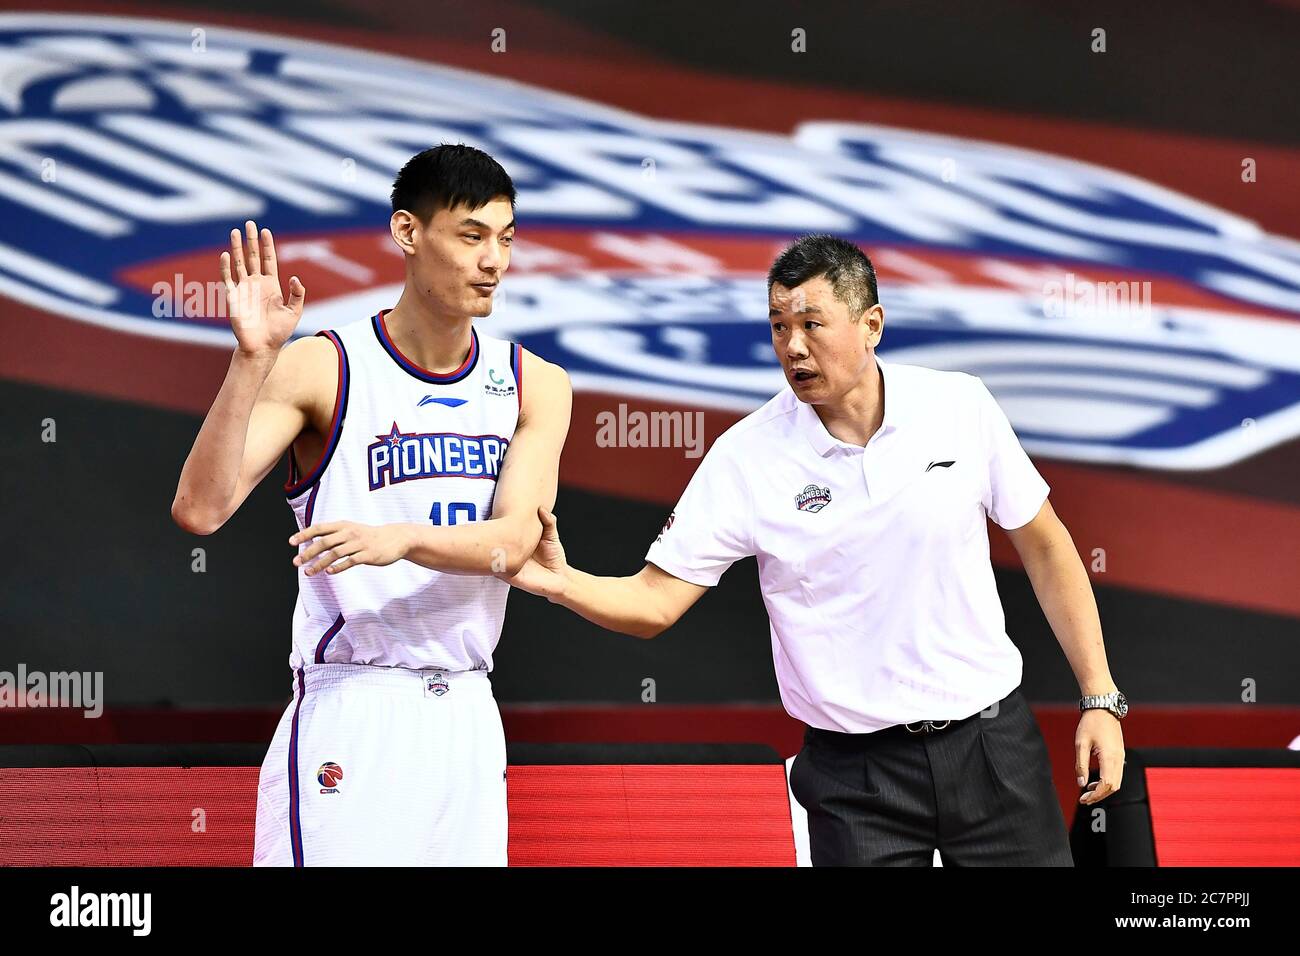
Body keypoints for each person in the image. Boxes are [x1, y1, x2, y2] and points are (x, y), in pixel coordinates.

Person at [505, 234, 1125, 866]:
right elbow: (654, 600)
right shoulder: (748, 455)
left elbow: (1046, 547)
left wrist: (1099, 695)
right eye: (778, 327)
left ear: (871, 324)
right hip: (855, 777)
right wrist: (560, 581)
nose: (792, 346)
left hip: (993, 745)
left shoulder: (959, 406)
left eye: (811, 324)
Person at [171, 145, 571, 866]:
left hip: (470, 713)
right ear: (408, 232)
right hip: (355, 702)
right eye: (472, 235)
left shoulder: (534, 383)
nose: (495, 262)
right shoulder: (325, 364)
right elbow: (201, 510)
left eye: (506, 238)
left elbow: (514, 543)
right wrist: (251, 362)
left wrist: (402, 539)